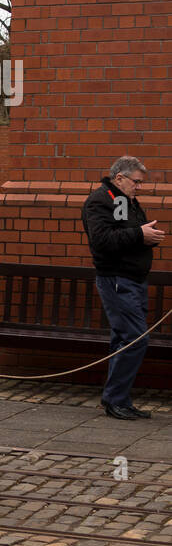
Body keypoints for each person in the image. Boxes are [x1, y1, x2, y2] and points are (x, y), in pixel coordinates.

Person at [81, 156, 165, 420]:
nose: (139, 187)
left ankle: (119, 400)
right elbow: (103, 240)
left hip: (133, 280)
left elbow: (124, 235)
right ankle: (115, 399)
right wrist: (141, 235)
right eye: (136, 182)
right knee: (136, 339)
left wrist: (145, 236)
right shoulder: (101, 200)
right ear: (119, 178)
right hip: (117, 280)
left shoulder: (123, 200)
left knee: (124, 339)